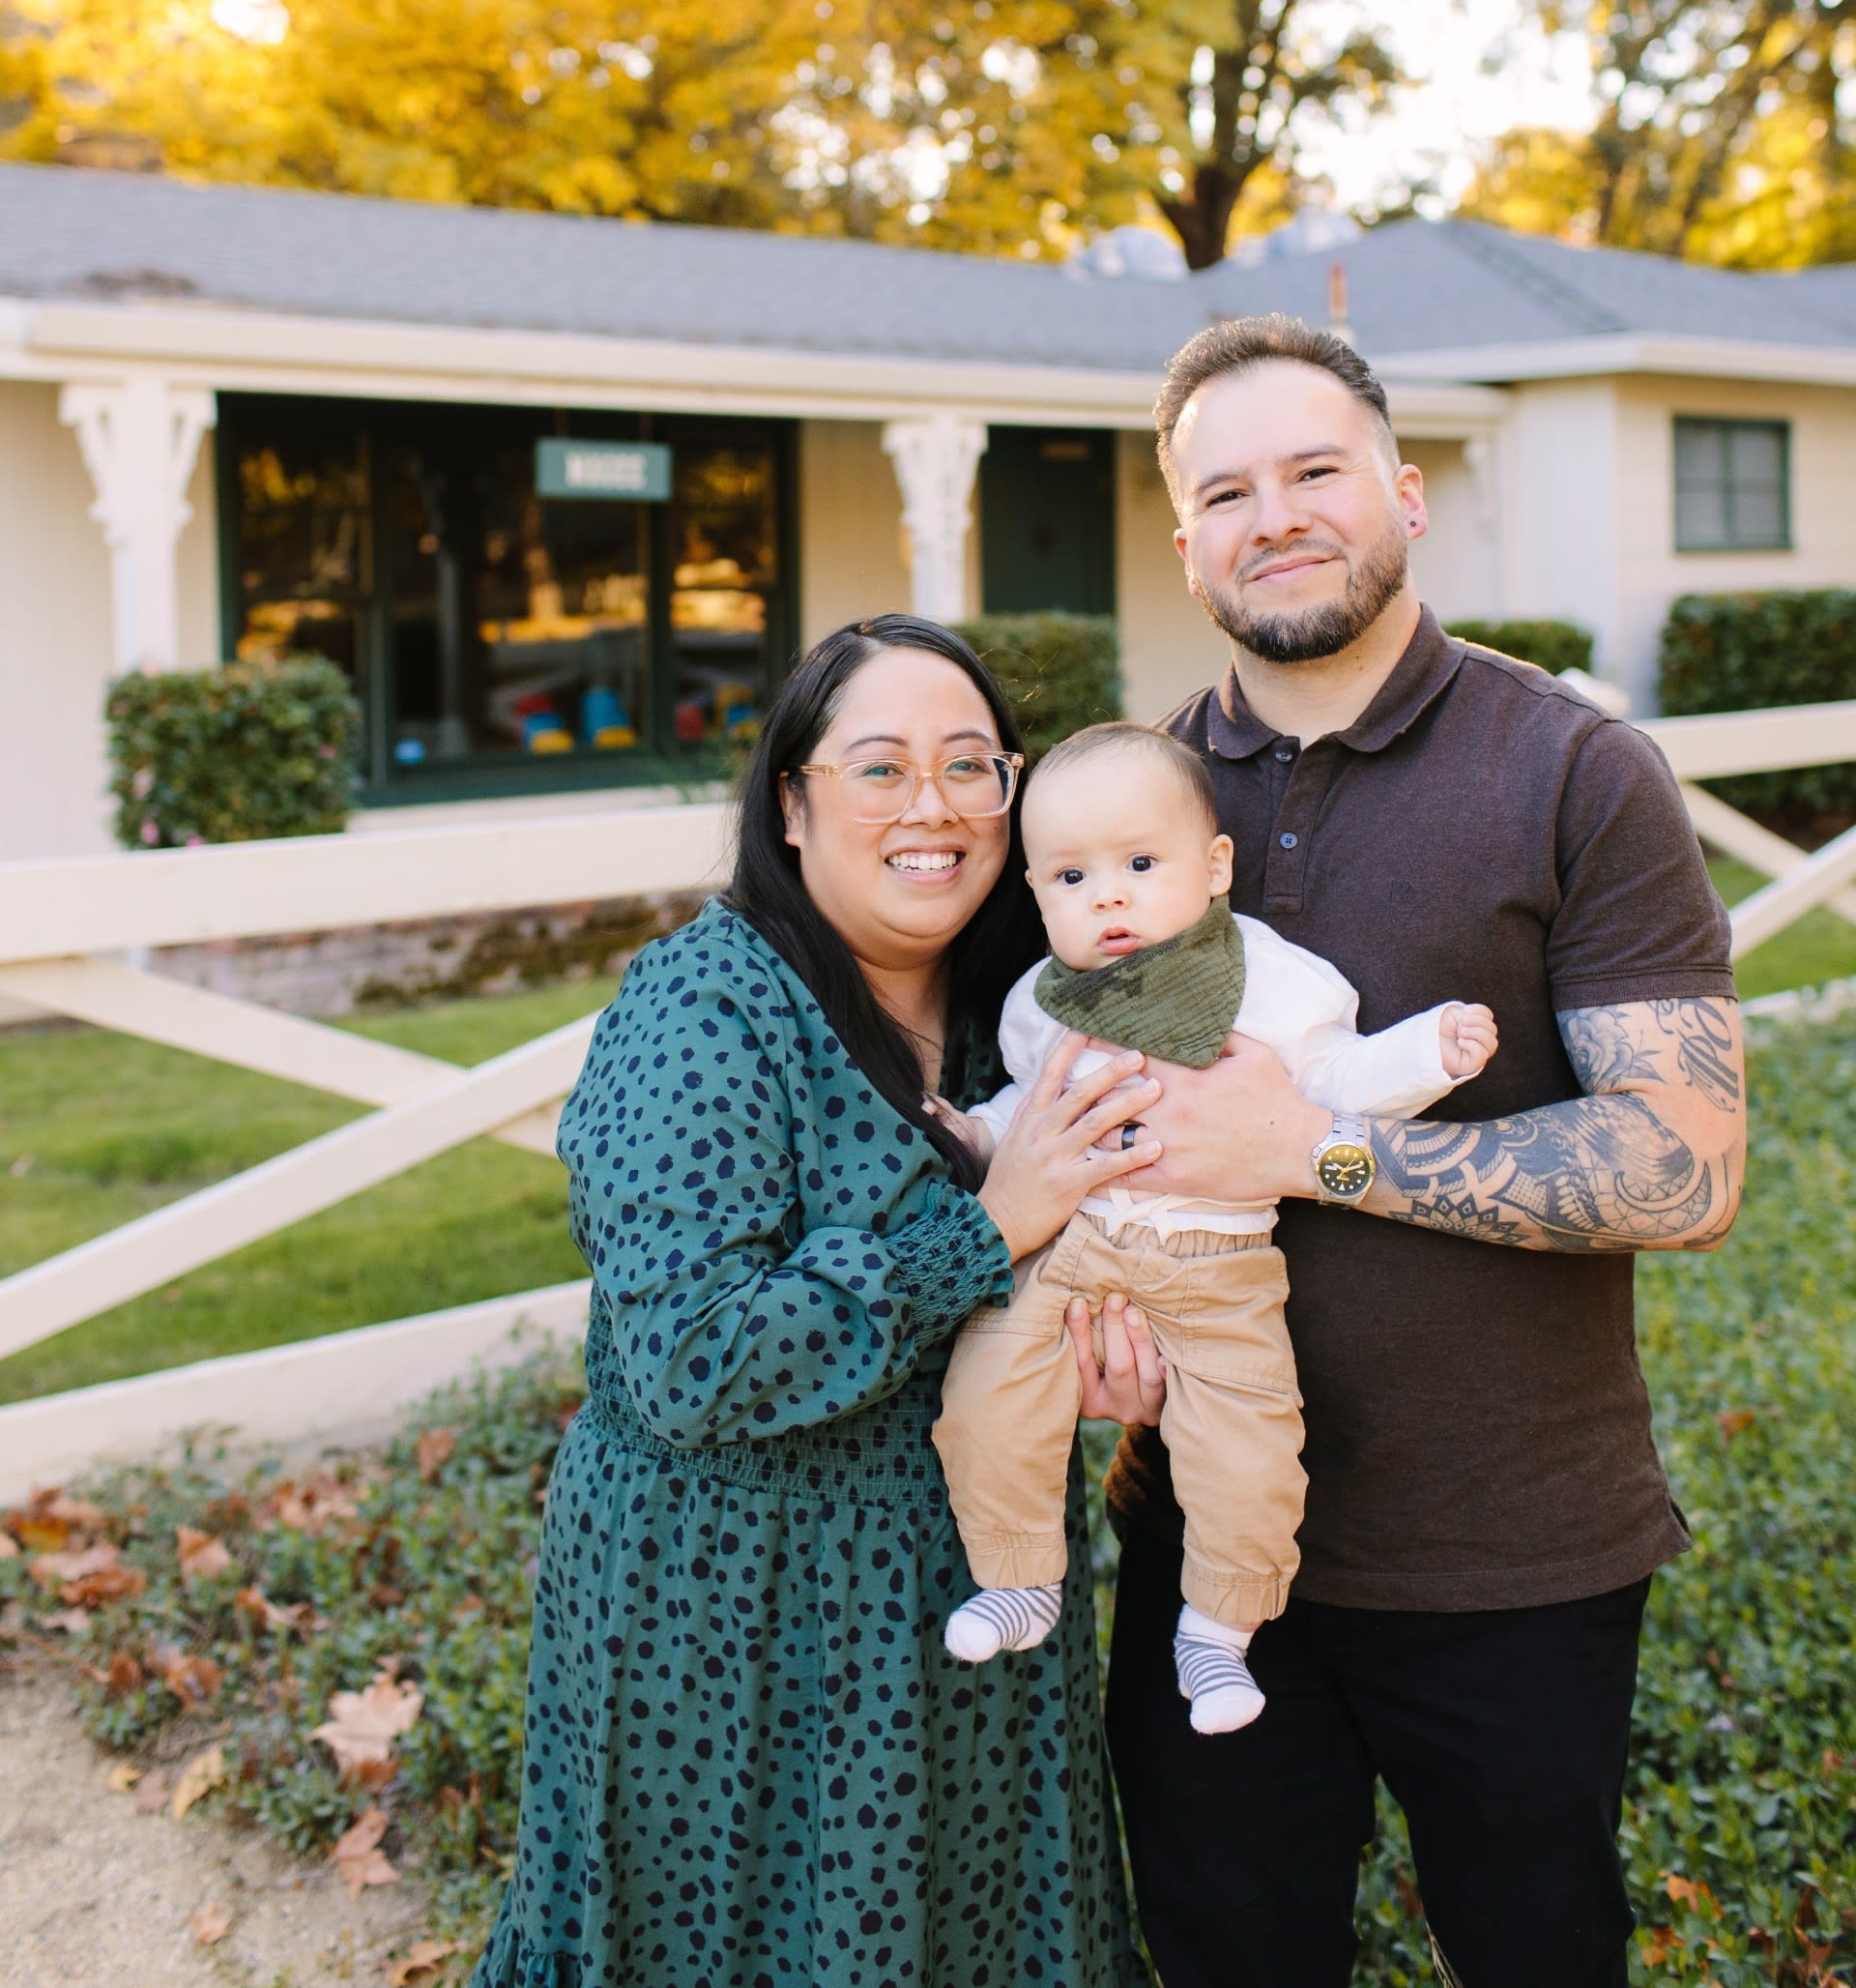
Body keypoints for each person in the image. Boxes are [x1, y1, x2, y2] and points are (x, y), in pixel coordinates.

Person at [1095, 313, 1746, 1988]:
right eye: (1226, 488)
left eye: (1316, 467)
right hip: (1207, 1551)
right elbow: (1077, 1099)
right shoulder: (1143, 792)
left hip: (1511, 1550)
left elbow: (1686, 1162)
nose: (1277, 511)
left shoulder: (1573, 767)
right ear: (1187, 543)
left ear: (1405, 487)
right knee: (1230, 1954)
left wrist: (1324, 1147)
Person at [471, 614, 1150, 1988]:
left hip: (973, 1615)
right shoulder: (707, 1005)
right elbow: (690, 1354)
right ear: (792, 800)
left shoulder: (1021, 1015)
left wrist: (1123, 1370)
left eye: (973, 765)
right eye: (881, 765)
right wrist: (983, 1228)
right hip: (735, 1629)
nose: (936, 805)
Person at [926, 719, 1496, 1735]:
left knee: (1250, 1444)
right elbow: (1033, 1106)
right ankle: (1018, 1575)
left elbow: (1336, 1082)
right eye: (1069, 876)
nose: (1106, 894)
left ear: (1214, 864)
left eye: (1141, 864)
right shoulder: (1045, 1001)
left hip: (1219, 1261)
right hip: (1080, 1247)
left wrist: (1428, 1054)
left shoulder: (1269, 979)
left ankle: (1218, 1629)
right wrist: (980, 1135)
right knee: (987, 1385)